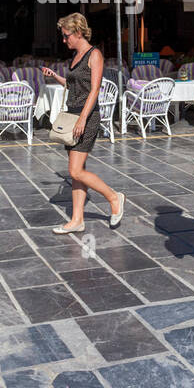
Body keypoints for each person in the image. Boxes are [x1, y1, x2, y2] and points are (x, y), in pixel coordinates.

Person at [41, 13, 124, 234]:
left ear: (78, 33)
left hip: (85, 117)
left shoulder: (94, 55)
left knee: (75, 171)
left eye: (67, 36)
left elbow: (95, 90)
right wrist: (55, 76)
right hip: (73, 116)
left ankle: (114, 197)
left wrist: (83, 119)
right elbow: (72, 83)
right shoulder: (76, 56)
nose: (64, 40)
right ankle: (77, 219)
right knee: (78, 171)